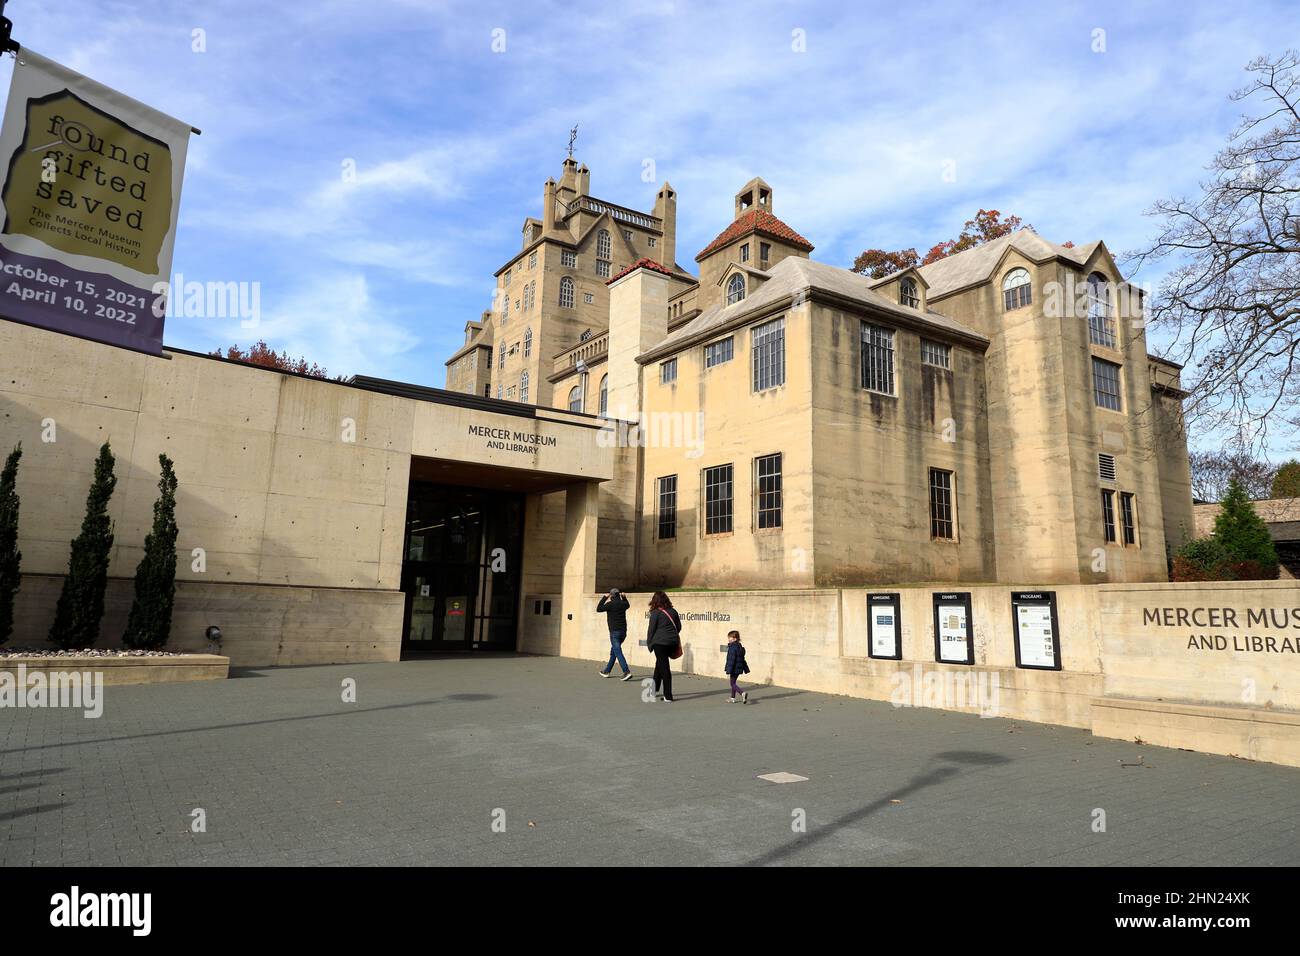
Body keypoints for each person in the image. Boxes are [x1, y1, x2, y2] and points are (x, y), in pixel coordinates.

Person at [646, 591, 682, 702]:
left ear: (654, 601)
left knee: (665, 668)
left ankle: (668, 695)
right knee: (660, 665)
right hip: (672, 642)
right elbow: (679, 627)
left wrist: (649, 644)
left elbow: (651, 630)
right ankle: (653, 690)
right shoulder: (673, 611)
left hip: (660, 643)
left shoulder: (655, 613)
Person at [596, 587, 633, 680]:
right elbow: (627, 605)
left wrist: (604, 597)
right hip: (623, 632)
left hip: (614, 633)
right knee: (614, 652)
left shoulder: (610, 604)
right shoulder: (622, 604)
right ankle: (607, 671)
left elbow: (599, 608)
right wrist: (624, 597)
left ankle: (626, 671)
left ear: (611, 596)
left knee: (618, 651)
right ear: (618, 595)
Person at [724, 629, 751, 703]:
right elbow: (742, 659)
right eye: (728, 637)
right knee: (734, 683)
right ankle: (733, 698)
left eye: (730, 637)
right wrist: (745, 669)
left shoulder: (732, 647)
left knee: (732, 684)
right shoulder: (739, 647)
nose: (729, 639)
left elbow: (731, 659)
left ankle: (742, 693)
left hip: (734, 668)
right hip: (739, 668)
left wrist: (729, 670)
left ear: (735, 639)